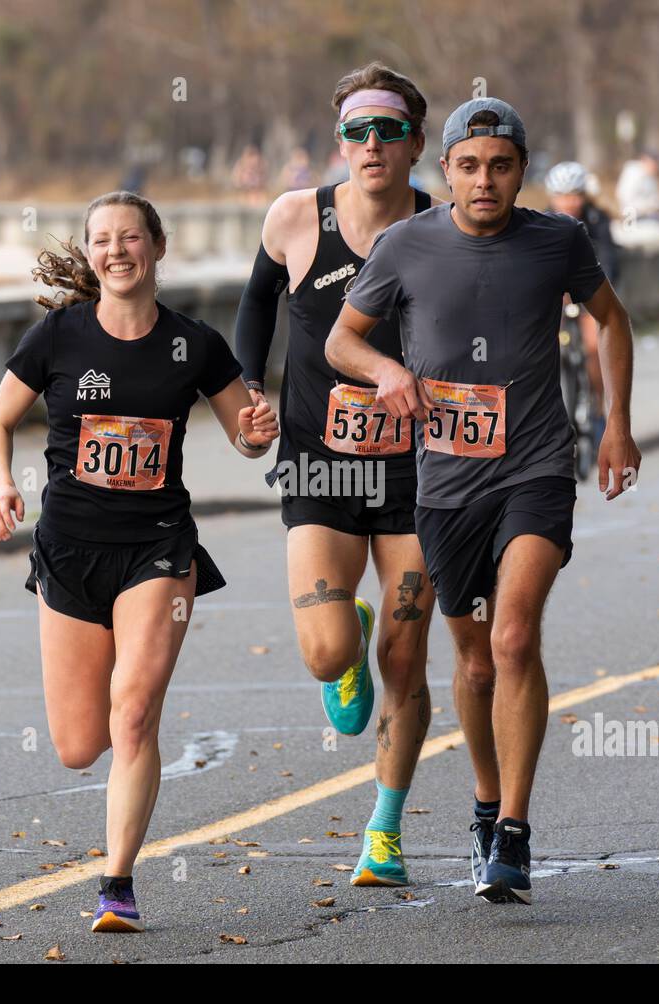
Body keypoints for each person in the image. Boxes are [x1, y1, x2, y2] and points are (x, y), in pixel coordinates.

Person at [327, 98, 642, 905]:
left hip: (535, 467)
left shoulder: (557, 241)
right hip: (445, 484)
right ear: (446, 171)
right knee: (470, 659)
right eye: (468, 166)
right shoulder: (407, 244)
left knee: (512, 636)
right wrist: (388, 372)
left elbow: (613, 319)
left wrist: (616, 427)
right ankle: (486, 801)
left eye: (501, 165)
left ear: (521, 171)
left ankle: (516, 833)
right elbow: (341, 340)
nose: (485, 181)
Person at [0, 191, 279, 934]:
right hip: (70, 550)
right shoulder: (58, 337)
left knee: (135, 714)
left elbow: (246, 436)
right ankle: (114, 843)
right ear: (89, 254)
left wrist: (260, 429)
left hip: (158, 549)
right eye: (103, 240)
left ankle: (116, 883)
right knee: (80, 746)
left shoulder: (193, 345)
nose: (117, 250)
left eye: (131, 237)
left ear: (157, 247)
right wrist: (2, 484)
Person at [234, 62, 437, 887]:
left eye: (389, 130)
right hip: (321, 463)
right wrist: (251, 388)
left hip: (421, 472)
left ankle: (383, 832)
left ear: (418, 143)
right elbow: (254, 307)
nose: (372, 145)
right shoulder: (295, 218)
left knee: (408, 657)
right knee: (328, 655)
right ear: (339, 142)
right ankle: (342, 638)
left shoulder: (447, 225)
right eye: (357, 131)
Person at [547, 160, 619, 433]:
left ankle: (598, 406)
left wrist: (595, 291)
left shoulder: (597, 219)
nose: (568, 203)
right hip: (557, 296)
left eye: (574, 196)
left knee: (592, 347)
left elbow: (610, 261)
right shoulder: (541, 219)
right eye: (562, 196)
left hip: (587, 295)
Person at [615, 148, 659, 221]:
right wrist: (648, 206)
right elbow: (624, 197)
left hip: (650, 216)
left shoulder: (651, 178)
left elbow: (658, 200)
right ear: (645, 160)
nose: (656, 166)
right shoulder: (632, 173)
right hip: (632, 217)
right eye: (654, 162)